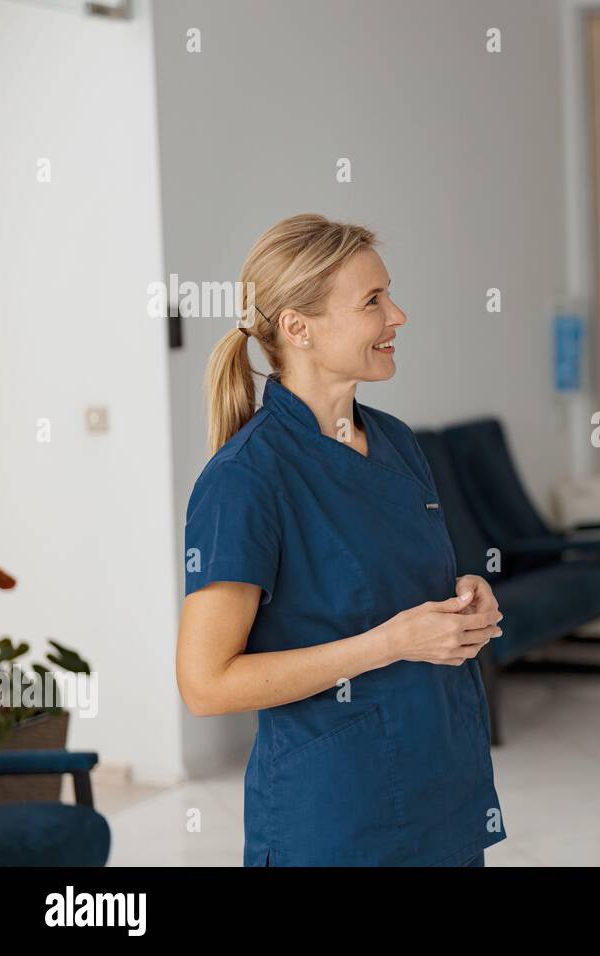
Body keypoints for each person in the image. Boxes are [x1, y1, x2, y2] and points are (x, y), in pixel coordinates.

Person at [176, 214, 505, 866]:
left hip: (445, 788)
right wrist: (389, 644)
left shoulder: (396, 443)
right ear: (298, 327)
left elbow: (406, 595)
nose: (399, 316)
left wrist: (467, 600)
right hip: (337, 818)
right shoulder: (246, 480)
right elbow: (205, 684)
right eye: (373, 302)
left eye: (390, 294)